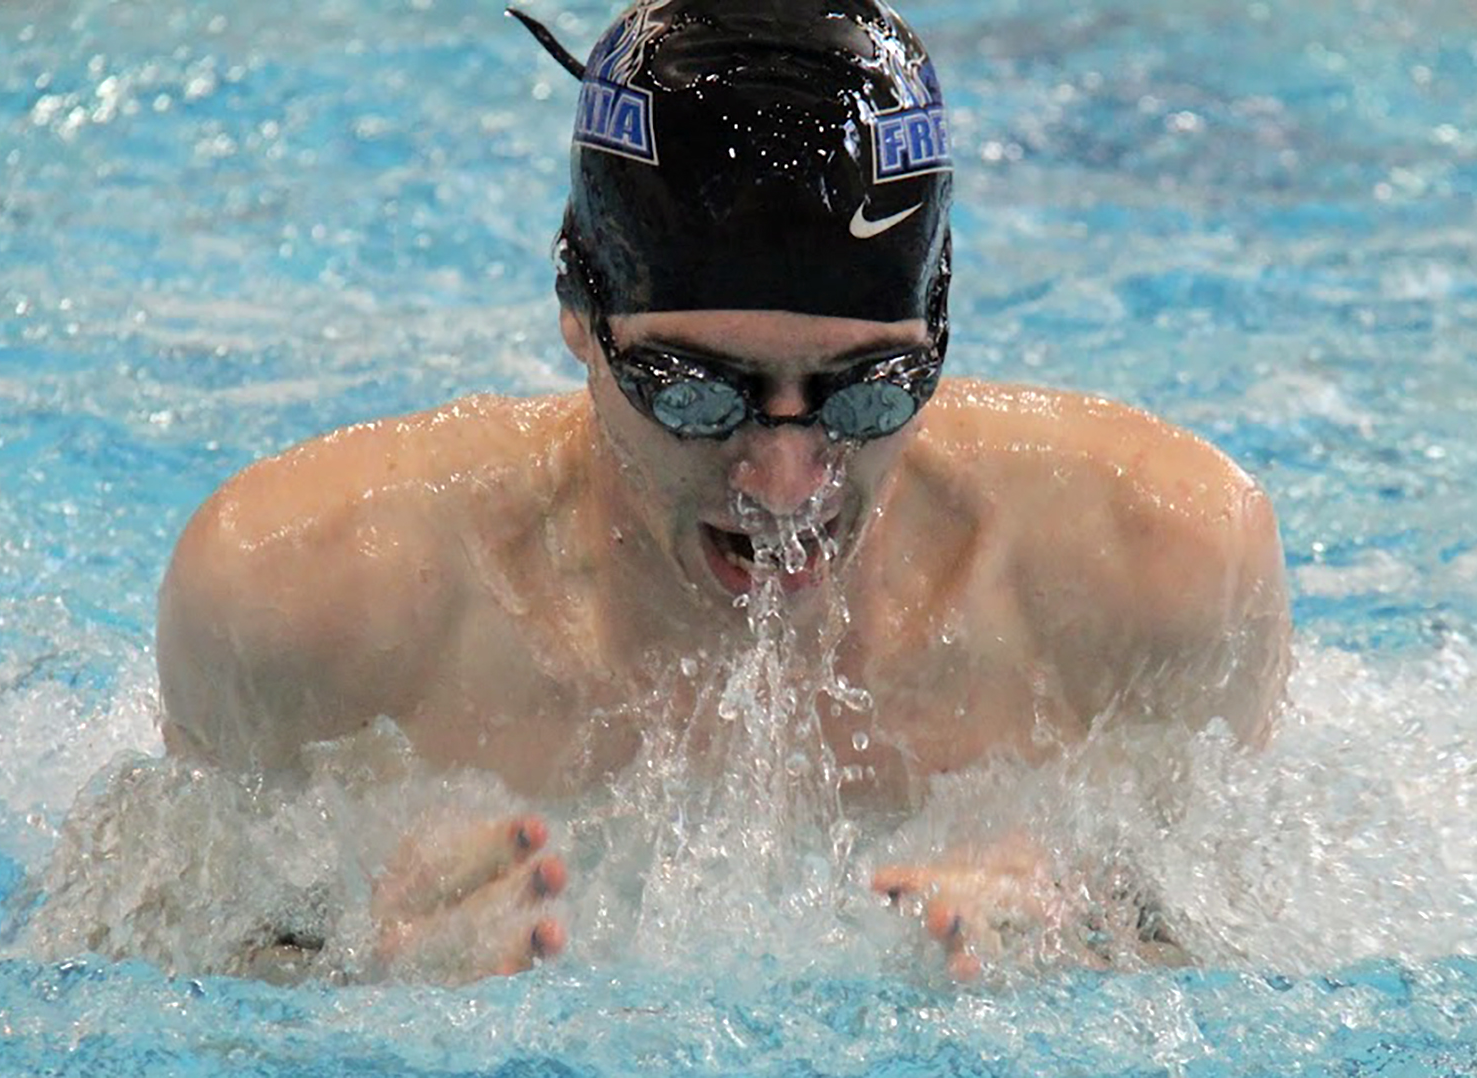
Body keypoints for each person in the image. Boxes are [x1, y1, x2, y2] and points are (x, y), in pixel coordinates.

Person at [154, 0, 1291, 983]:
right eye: (697, 393)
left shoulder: (1158, 568)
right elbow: (102, 943)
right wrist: (332, 973)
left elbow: (1299, 933)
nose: (787, 480)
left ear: (939, 334)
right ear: (577, 316)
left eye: (869, 392)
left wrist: (1114, 946)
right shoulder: (303, 600)